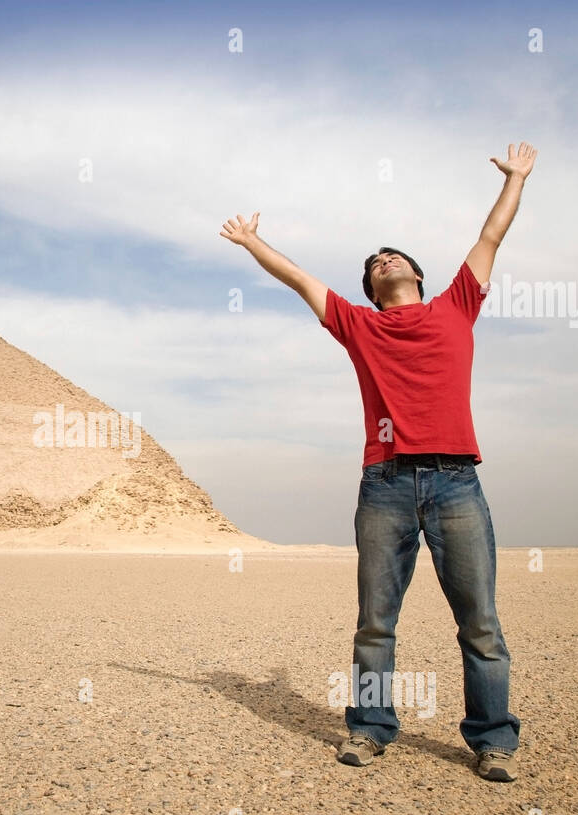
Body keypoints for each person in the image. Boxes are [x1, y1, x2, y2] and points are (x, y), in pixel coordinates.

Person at [219, 142, 538, 782]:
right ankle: (369, 730)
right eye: (372, 264)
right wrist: (254, 242)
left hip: (456, 483)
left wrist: (517, 179)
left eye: (392, 256)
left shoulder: (457, 306)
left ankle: (493, 739)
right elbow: (300, 278)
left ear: (416, 274)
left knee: (480, 624)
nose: (382, 260)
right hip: (385, 486)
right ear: (370, 288)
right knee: (375, 625)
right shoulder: (358, 325)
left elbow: (491, 234)